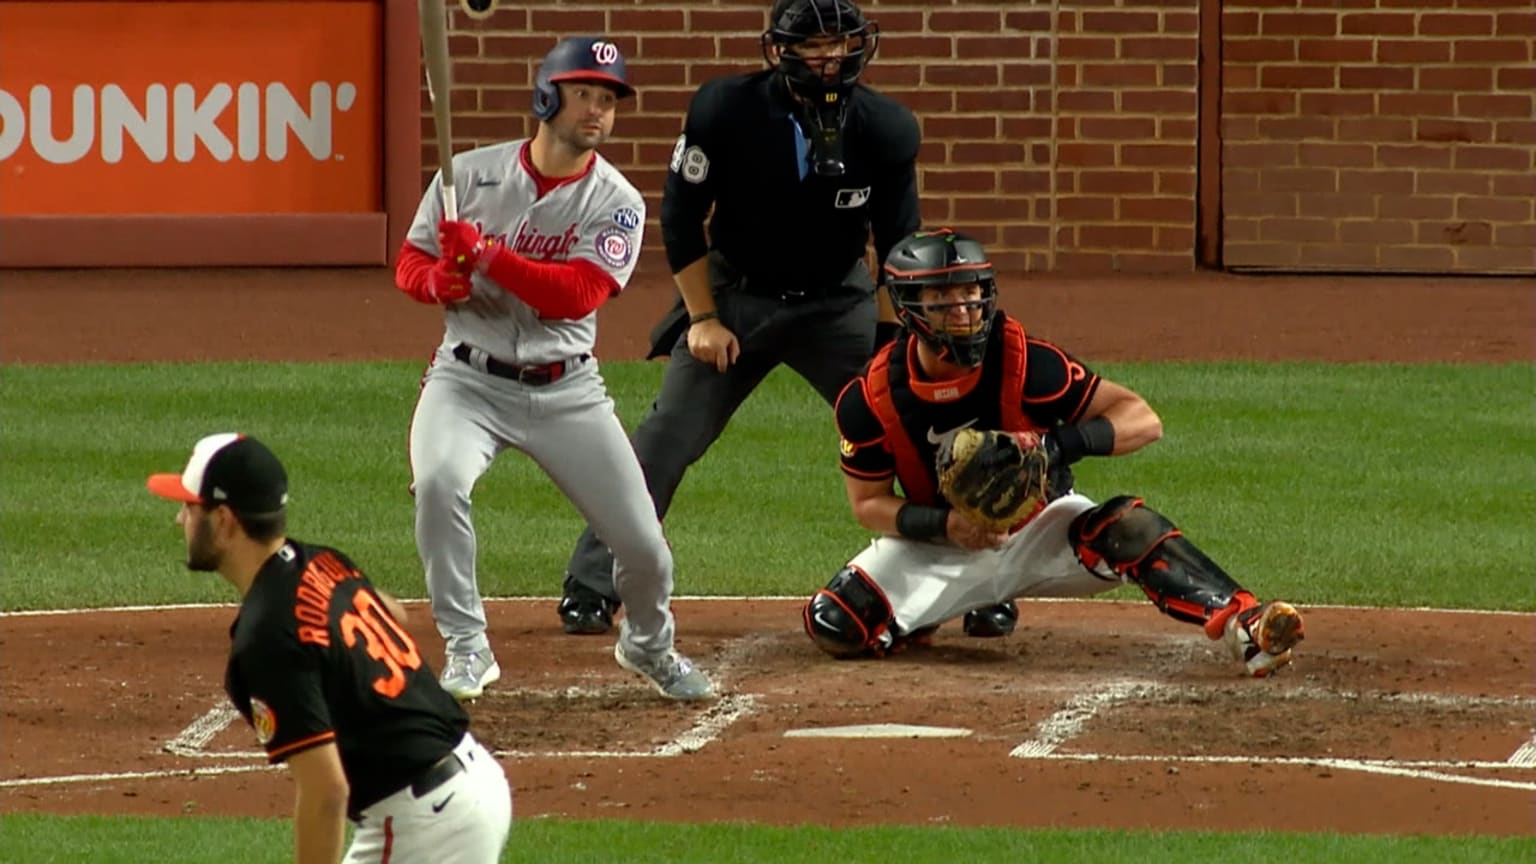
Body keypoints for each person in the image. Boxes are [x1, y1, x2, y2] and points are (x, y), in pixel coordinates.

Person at [557, 0, 1016, 637]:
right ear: (782, 49)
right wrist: (703, 319)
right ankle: (590, 583)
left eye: (840, 41)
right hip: (736, 296)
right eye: (813, 43)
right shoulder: (726, 109)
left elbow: (898, 243)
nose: (830, 55)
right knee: (668, 436)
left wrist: (889, 345)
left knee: (920, 429)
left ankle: (977, 586)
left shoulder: (886, 127)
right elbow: (681, 219)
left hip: (838, 300)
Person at [803, 229, 1307, 678]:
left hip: (1040, 528)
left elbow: (1141, 420)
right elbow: (867, 503)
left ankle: (1246, 621)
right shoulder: (870, 399)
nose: (963, 310)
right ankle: (952, 607)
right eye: (943, 298)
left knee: (1125, 525)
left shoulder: (1023, 361)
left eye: (971, 293)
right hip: (940, 542)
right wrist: (948, 527)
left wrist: (1054, 445)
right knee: (835, 623)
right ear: (910, 308)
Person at [394, 36, 714, 701]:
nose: (597, 110)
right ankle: (467, 648)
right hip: (467, 380)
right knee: (440, 485)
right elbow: (412, 264)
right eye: (584, 94)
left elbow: (577, 293)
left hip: (566, 389)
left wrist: (485, 256)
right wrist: (441, 285)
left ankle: (650, 646)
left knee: (645, 550)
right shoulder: (468, 176)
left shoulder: (616, 200)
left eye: (608, 100)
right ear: (547, 95)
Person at [146, 433, 513, 863]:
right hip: (469, 783)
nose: (179, 520)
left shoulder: (265, 636)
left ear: (224, 521)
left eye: (189, 507)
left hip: (425, 820)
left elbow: (326, 791)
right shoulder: (320, 560)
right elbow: (392, 614)